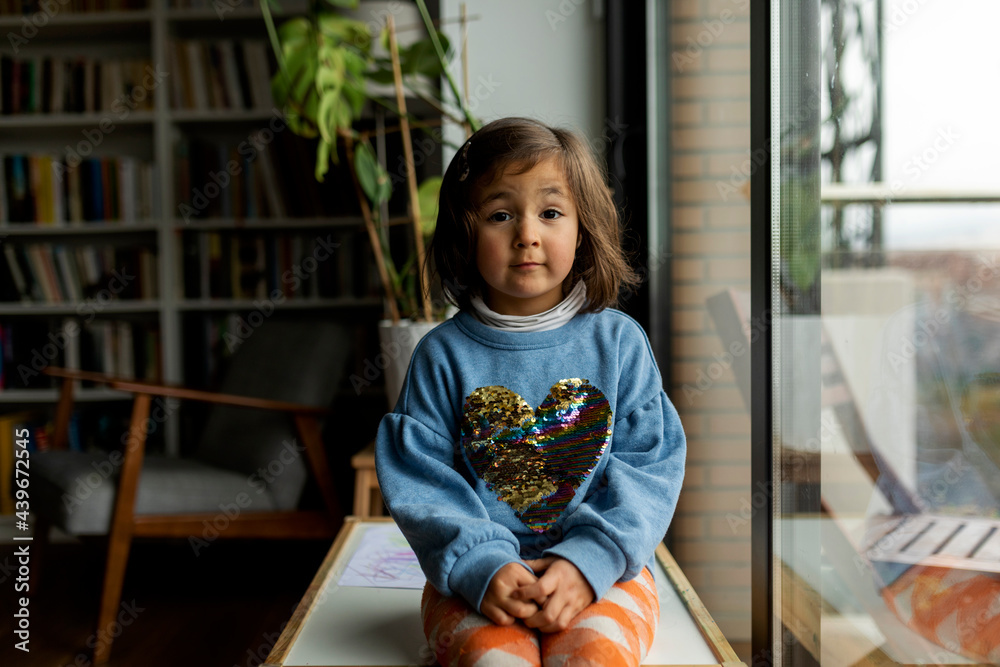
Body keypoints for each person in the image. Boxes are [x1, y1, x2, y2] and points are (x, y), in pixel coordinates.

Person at [375, 117, 686, 667]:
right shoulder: (440, 356)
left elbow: (649, 466)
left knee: (595, 657)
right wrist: (483, 565)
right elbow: (422, 481)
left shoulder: (620, 344)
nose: (527, 233)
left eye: (550, 212)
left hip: (607, 570)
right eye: (500, 215)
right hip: (473, 578)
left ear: (583, 228)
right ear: (463, 234)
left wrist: (586, 560)